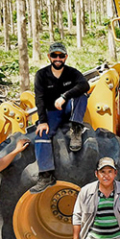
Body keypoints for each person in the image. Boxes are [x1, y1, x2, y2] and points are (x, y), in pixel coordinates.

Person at [32, 42, 91, 193]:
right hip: (52, 112)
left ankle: (76, 129)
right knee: (41, 134)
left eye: (61, 55)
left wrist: (65, 96)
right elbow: (39, 99)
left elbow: (85, 85)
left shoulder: (72, 73)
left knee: (82, 95)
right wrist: (43, 121)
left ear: (66, 57)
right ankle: (46, 174)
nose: (58, 58)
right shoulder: (41, 75)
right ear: (49, 57)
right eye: (54, 55)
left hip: (70, 109)